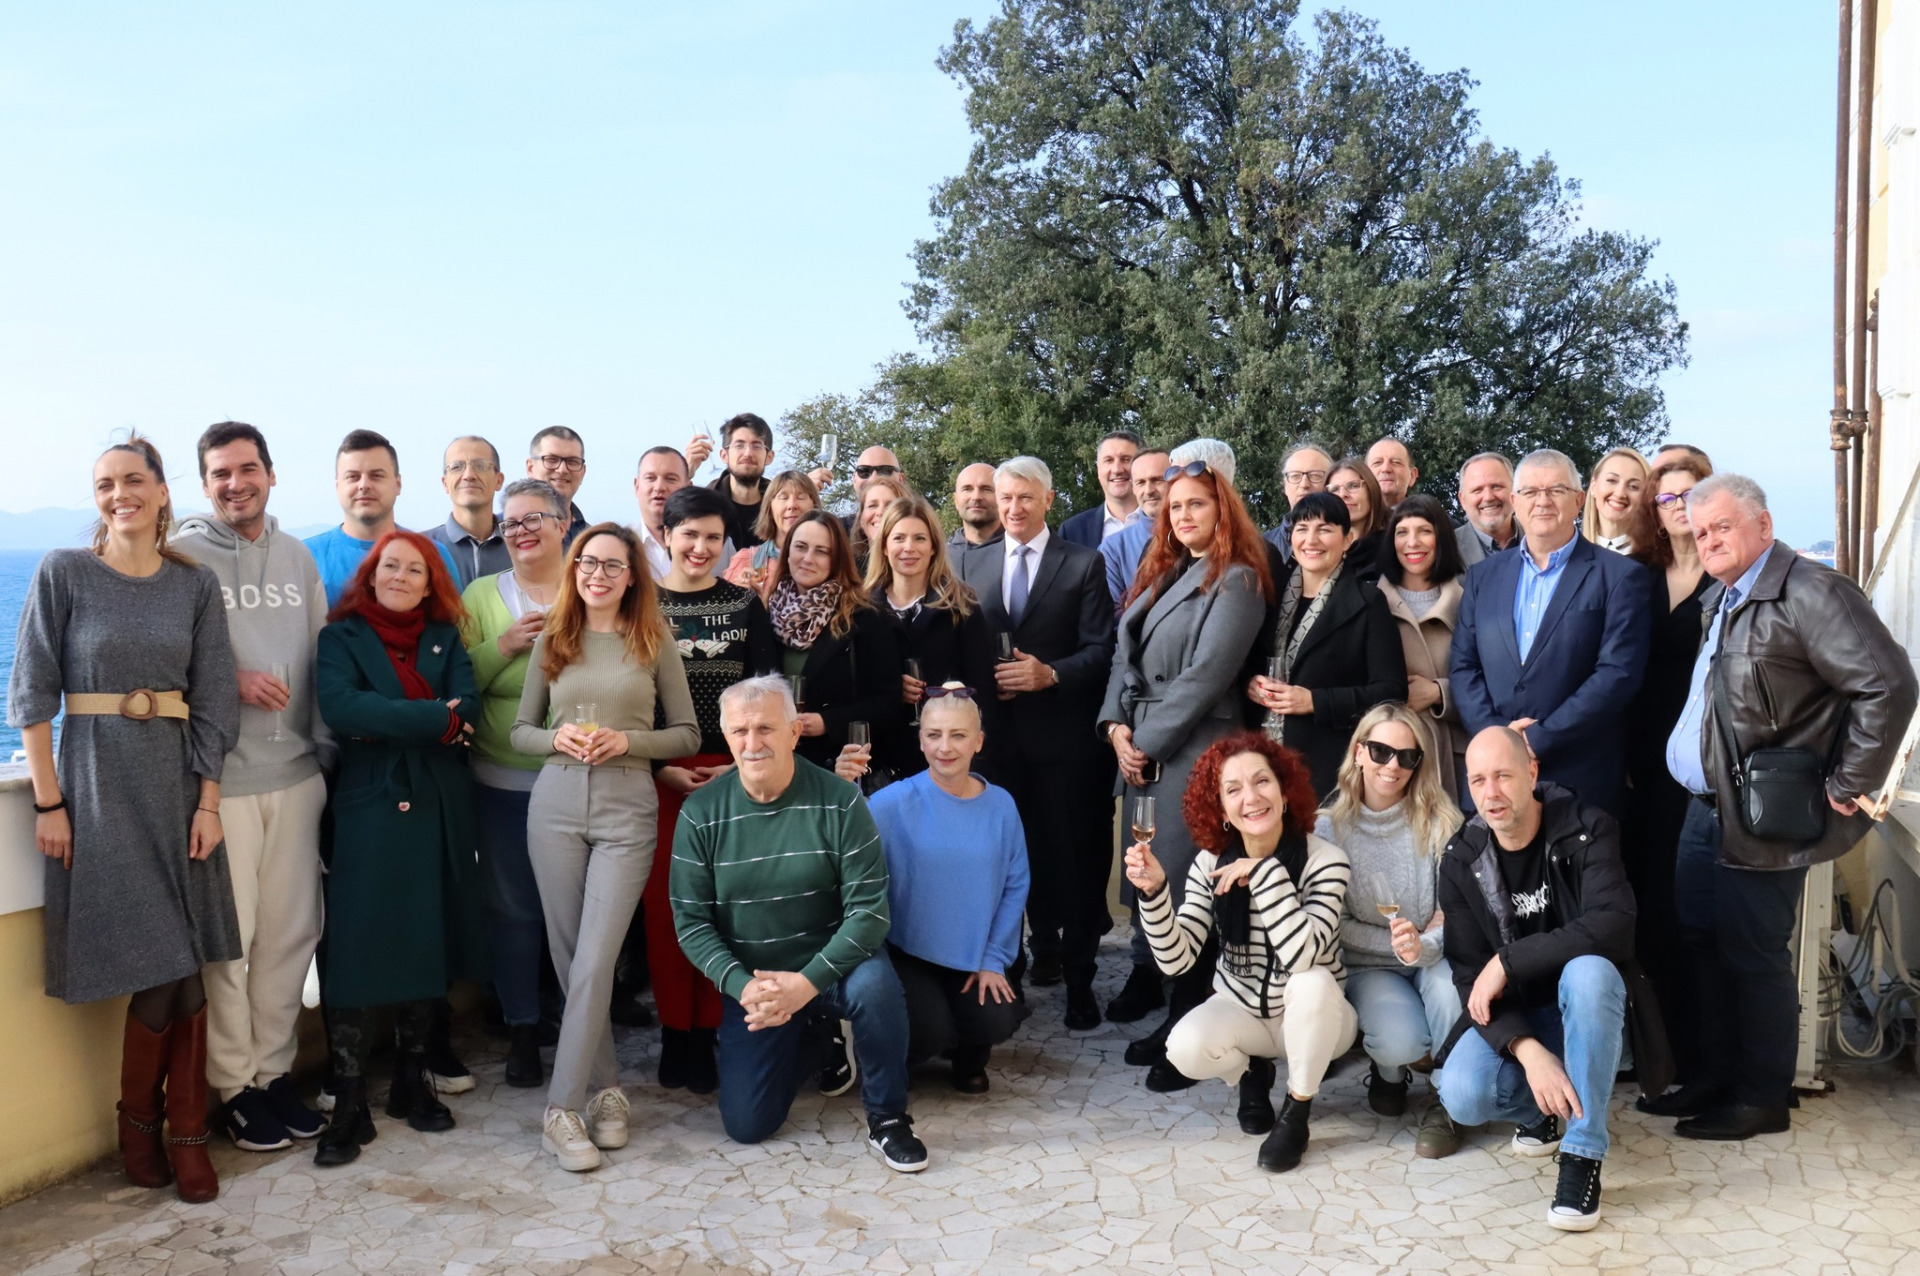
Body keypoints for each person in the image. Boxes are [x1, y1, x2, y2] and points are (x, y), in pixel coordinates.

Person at [10, 436, 241, 1202]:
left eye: (133, 480)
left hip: (177, 788)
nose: (119, 495)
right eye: (105, 484)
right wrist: (48, 800)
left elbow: (214, 702)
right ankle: (173, 1133)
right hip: (98, 786)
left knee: (181, 958)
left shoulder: (194, 586)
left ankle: (156, 1128)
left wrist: (208, 801)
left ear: (163, 491)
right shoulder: (64, 572)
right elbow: (33, 695)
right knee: (169, 961)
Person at [1661, 474, 1917, 1139]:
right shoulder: (1721, 595)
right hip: (1703, 805)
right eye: (1701, 529)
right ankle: (1717, 1078)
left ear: (1763, 526)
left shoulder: (1811, 591)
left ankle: (1760, 1099)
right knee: (1703, 943)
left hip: (1763, 814)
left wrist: (1844, 785)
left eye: (1723, 526)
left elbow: (1888, 687)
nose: (1709, 538)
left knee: (1753, 955)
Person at [670, 677, 929, 1172]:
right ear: (724, 736)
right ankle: (816, 1038)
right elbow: (692, 923)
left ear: (794, 733)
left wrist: (807, 984)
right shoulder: (701, 813)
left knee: (877, 988)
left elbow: (869, 913)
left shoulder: (840, 800)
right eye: (739, 731)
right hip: (759, 978)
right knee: (748, 1126)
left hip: (836, 961)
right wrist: (744, 987)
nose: (752, 743)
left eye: (766, 727)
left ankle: (889, 1118)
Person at [509, 523, 700, 1171]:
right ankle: (608, 1091)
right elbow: (519, 731)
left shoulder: (654, 640)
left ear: (631, 576)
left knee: (596, 959)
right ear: (575, 569)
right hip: (555, 802)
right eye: (588, 562)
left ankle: (559, 1109)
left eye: (612, 565)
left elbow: (684, 733)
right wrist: (557, 741)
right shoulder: (552, 638)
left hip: (627, 805)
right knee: (570, 960)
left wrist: (629, 743)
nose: (597, 574)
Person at [174, 421, 332, 1152]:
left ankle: (274, 1076)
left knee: (289, 938)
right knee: (229, 943)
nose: (234, 483)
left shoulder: (298, 557)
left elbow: (322, 660)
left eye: (246, 469)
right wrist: (226, 679)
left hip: (298, 775)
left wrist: (328, 758)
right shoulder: (183, 556)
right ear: (204, 483)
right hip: (222, 785)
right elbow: (163, 657)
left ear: (270, 474)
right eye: (220, 473)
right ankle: (234, 1086)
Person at [311, 530, 487, 1168]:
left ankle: (413, 1079)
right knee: (356, 942)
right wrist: (436, 720)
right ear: (371, 572)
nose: (402, 576)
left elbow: (470, 703)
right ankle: (351, 1096)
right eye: (392, 565)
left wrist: (408, 715)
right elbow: (344, 708)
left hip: (439, 801)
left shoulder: (446, 636)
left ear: (430, 580)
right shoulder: (341, 637)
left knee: (426, 934)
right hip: (368, 802)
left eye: (416, 569)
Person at [1433, 727, 1637, 1232]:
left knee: (1589, 971)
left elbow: (1613, 924)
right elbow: (1467, 973)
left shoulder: (1587, 827)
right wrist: (1526, 1050)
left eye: (1503, 775)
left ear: (1532, 772)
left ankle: (1582, 1154)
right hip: (1522, 1017)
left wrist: (1508, 962)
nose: (1491, 793)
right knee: (1461, 1093)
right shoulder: (1461, 860)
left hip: (1586, 1009)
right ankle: (1545, 1107)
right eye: (1478, 780)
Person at [1098, 461, 1271, 1056]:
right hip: (1143, 744)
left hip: (1194, 751)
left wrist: (1144, 743)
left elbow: (1206, 678)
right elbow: (1125, 658)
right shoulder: (1164, 572)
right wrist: (1115, 728)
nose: (1184, 516)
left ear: (1222, 510)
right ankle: (1157, 984)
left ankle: (1188, 1020)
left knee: (1185, 883)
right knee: (1147, 872)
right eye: (1175, 508)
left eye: (1197, 504)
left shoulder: (1238, 579)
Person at [1123, 733, 1356, 1173]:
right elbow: (1177, 960)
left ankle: (1297, 1112)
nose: (1251, 797)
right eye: (1233, 789)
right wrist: (1154, 893)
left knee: (1311, 983)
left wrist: (1265, 875)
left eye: (1262, 781)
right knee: (1183, 1048)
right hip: (1244, 1010)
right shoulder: (1210, 863)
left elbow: (1303, 956)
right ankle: (1253, 1071)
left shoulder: (1326, 861)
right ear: (1223, 809)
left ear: (1285, 792)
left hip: (1319, 1017)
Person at [955, 457, 1117, 1027]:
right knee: (998, 864)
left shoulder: (1083, 563)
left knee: (1071, 863)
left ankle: (1079, 983)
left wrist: (1052, 673)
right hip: (994, 748)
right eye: (1006, 499)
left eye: (1026, 498)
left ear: (1048, 500)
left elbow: (1103, 650)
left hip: (1067, 747)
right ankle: (1008, 977)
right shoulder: (966, 565)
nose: (1014, 509)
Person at [648, 487, 780, 1094]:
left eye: (711, 536)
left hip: (735, 774)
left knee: (729, 908)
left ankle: (719, 1028)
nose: (700, 547)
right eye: (688, 534)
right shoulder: (639, 605)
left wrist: (741, 764)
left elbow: (767, 695)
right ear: (666, 534)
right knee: (671, 908)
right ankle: (678, 1035)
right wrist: (658, 770)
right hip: (661, 776)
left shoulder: (745, 606)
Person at [1448, 448, 1653, 818]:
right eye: (1529, 492)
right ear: (1514, 502)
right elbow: (1464, 666)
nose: (1542, 501)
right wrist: (1500, 738)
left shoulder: (1620, 576)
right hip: (1493, 783)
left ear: (1578, 500)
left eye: (1556, 490)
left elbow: (1617, 675)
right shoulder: (1484, 576)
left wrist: (1539, 739)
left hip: (1580, 781)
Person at [459, 478, 571, 1089]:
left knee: (571, 906)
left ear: (563, 524)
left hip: (579, 775)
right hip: (502, 778)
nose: (522, 531)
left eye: (535, 520)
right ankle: (522, 1027)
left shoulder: (590, 585)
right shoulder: (481, 594)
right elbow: (455, 679)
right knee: (512, 907)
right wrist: (502, 645)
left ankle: (571, 1019)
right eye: (512, 522)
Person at [1316, 706, 1465, 1159]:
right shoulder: (1328, 828)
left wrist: (1424, 946)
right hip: (1370, 963)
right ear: (1359, 752)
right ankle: (1388, 1071)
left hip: (1434, 953)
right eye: (1381, 751)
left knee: (1451, 996)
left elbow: (1452, 912)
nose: (1392, 766)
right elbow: (1333, 925)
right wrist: (1397, 945)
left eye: (1407, 756)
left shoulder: (1442, 821)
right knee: (1402, 1041)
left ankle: (1448, 1099)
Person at [866, 687, 1032, 1093]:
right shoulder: (890, 803)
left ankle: (968, 1054)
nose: (945, 747)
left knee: (995, 1017)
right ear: (920, 740)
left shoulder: (1002, 805)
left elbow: (1016, 884)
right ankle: (910, 1048)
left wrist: (994, 959)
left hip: (976, 955)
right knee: (929, 1031)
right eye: (934, 734)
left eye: (958, 735)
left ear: (978, 741)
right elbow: (845, 847)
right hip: (909, 951)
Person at [1621, 453, 1713, 1105]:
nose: (1675, 506)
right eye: (1664, 497)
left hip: (1702, 774)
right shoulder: (1639, 574)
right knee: (1649, 915)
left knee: (1693, 917)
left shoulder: (1727, 576)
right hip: (1638, 768)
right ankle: (1665, 1060)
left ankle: (1707, 1062)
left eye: (1688, 494)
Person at [1245, 491, 1406, 799]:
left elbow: (1392, 692)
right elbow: (1242, 660)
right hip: (1259, 761)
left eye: (1325, 529)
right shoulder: (1268, 594)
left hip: (1326, 769)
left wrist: (1314, 701)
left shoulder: (1367, 602)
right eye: (1302, 529)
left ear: (1348, 539)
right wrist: (1248, 684)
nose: (1311, 539)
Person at [863, 496, 995, 779]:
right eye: (899, 538)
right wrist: (889, 687)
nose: (909, 547)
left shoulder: (962, 606)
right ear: (884, 546)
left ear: (934, 546)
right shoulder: (861, 610)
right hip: (879, 764)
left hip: (946, 763)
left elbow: (982, 689)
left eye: (919, 538)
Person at [764, 510, 905, 774]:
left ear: (837, 559)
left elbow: (888, 703)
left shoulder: (866, 618)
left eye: (821, 551)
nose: (807, 559)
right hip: (776, 766)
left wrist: (827, 722)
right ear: (787, 552)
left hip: (838, 769)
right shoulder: (765, 613)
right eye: (801, 547)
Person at [1375, 495, 1469, 802]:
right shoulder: (1367, 602)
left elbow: (1495, 678)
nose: (1412, 542)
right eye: (1402, 532)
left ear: (1441, 537)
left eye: (1424, 531)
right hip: (1386, 760)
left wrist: (1440, 693)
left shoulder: (1470, 601)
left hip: (1454, 757)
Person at [306, 430, 461, 607]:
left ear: (398, 484)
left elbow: (455, 628)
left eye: (376, 476)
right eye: (353, 477)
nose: (364, 485)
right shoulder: (304, 557)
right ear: (337, 486)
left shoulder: (433, 555)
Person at [427, 436, 509, 586]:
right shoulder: (422, 547)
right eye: (456, 467)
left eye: (481, 465)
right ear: (445, 483)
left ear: (499, 480)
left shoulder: (519, 545)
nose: (469, 475)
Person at [1099, 443, 1173, 612]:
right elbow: (1110, 614)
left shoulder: (1194, 537)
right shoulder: (1113, 549)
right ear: (1133, 487)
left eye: (1157, 480)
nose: (1149, 490)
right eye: (1140, 482)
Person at [686, 412, 775, 550]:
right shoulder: (704, 506)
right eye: (739, 445)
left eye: (756, 446)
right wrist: (686, 472)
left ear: (769, 456)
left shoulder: (780, 508)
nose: (747, 453)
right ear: (724, 455)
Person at [724, 469, 820, 595]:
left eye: (801, 497)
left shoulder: (829, 559)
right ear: (769, 510)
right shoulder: (748, 561)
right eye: (783, 497)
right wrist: (738, 600)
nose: (791, 505)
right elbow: (724, 610)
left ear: (814, 506)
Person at [1059, 429, 1143, 547]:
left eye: (1126, 459)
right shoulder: (1072, 531)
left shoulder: (1167, 522)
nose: (1117, 469)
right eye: (1109, 460)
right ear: (1098, 469)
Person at [634, 446, 698, 581]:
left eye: (670, 479)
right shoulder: (618, 544)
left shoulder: (717, 545)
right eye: (650, 478)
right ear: (637, 486)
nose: (659, 487)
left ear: (688, 488)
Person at [1263, 442, 1335, 562]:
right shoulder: (1261, 547)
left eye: (1315, 476)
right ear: (1284, 486)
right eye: (1295, 476)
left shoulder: (1350, 543)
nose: (1304, 484)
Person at [1453, 452, 1521, 569]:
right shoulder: (1446, 549)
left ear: (1514, 491)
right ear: (1462, 499)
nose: (1488, 497)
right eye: (1477, 490)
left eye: (1496, 487)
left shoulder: (1544, 539)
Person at [1580, 447, 1651, 556]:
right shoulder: (1569, 556)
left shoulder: (1657, 562)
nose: (1620, 494)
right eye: (1612, 481)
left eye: (1633, 486)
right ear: (1593, 485)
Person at [1325, 458, 1389, 580]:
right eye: (1334, 489)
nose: (1343, 494)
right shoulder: (1320, 551)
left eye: (1353, 486)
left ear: (1371, 490)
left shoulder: (1395, 547)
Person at [526, 426, 591, 543]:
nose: (562, 470)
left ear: (583, 472)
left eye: (572, 462)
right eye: (551, 459)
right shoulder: (502, 535)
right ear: (530, 468)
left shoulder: (592, 543)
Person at [850, 471, 915, 571]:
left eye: (890, 505)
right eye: (872, 506)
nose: (880, 512)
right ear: (861, 518)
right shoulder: (845, 571)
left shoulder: (920, 569)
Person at [949, 461, 1004, 551]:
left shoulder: (1018, 554)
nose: (976, 497)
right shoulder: (939, 559)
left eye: (986, 489)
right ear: (956, 500)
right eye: (967, 489)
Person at [1366, 438, 1419, 508]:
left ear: (1412, 476)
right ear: (1363, 474)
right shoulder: (1349, 516)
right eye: (1377, 462)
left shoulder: (1427, 517)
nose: (1386, 469)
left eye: (1396, 462)